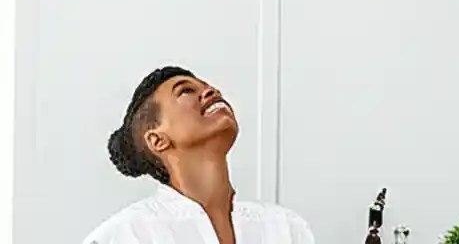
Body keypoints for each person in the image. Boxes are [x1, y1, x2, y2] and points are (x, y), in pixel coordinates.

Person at [84, 66, 314, 244]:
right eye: (186, 91)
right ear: (157, 140)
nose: (212, 91)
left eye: (208, 86)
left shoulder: (286, 229)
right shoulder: (125, 235)